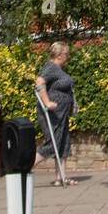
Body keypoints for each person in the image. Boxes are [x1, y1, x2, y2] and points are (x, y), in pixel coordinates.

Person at [35, 42, 78, 186]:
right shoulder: (51, 67)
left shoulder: (58, 69)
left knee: (63, 143)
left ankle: (61, 178)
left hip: (61, 114)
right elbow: (39, 81)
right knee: (52, 144)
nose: (68, 56)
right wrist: (47, 102)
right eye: (66, 54)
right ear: (59, 55)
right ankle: (23, 169)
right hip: (52, 114)